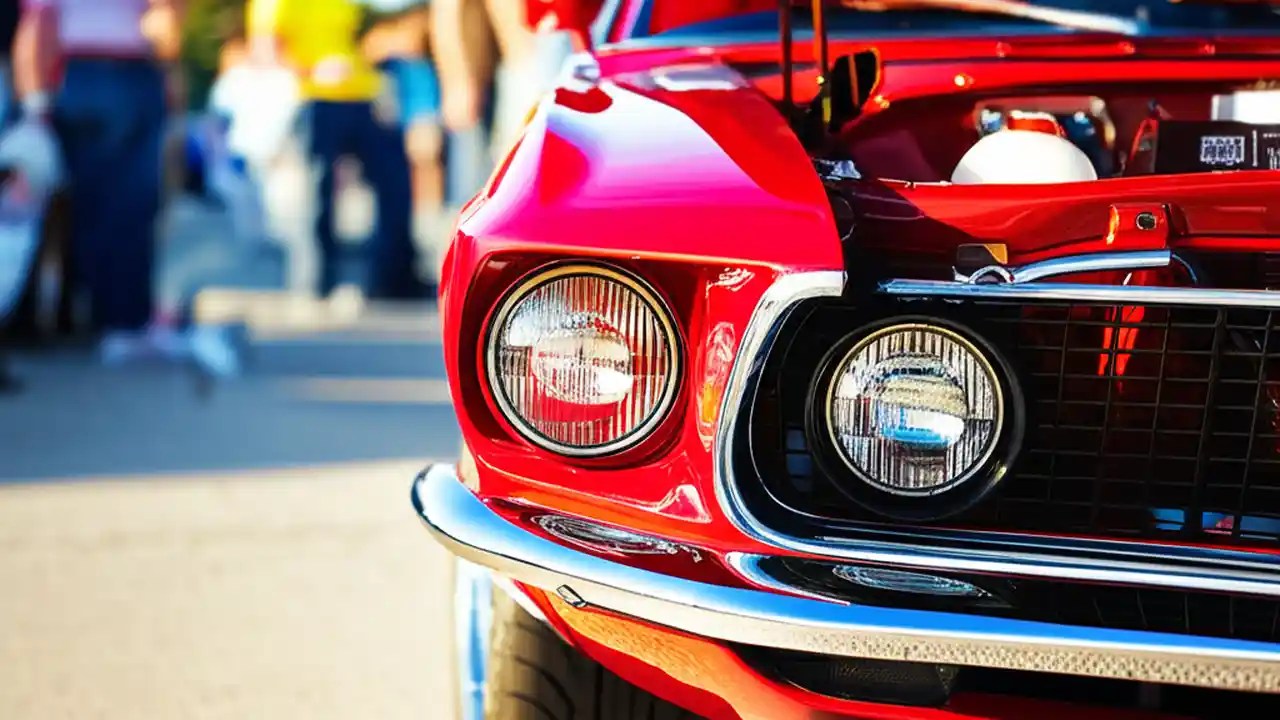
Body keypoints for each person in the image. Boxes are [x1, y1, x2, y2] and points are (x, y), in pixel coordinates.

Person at [7, 0, 184, 362]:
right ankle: (122, 320)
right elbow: (166, 21)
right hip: (125, 72)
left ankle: (100, 317)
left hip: (80, 74)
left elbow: (37, 25)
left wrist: (34, 101)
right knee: (128, 206)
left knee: (92, 207)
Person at [247, 0, 422, 301]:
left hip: (365, 96)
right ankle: (317, 280)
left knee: (395, 183)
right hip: (316, 98)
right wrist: (314, 70)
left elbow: (368, 34)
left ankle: (394, 278)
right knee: (319, 191)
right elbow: (266, 49)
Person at [362, 5, 444, 275]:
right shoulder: (398, 51)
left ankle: (428, 212)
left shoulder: (419, 57)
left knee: (425, 165)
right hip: (409, 117)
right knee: (417, 168)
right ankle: (426, 213)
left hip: (421, 115)